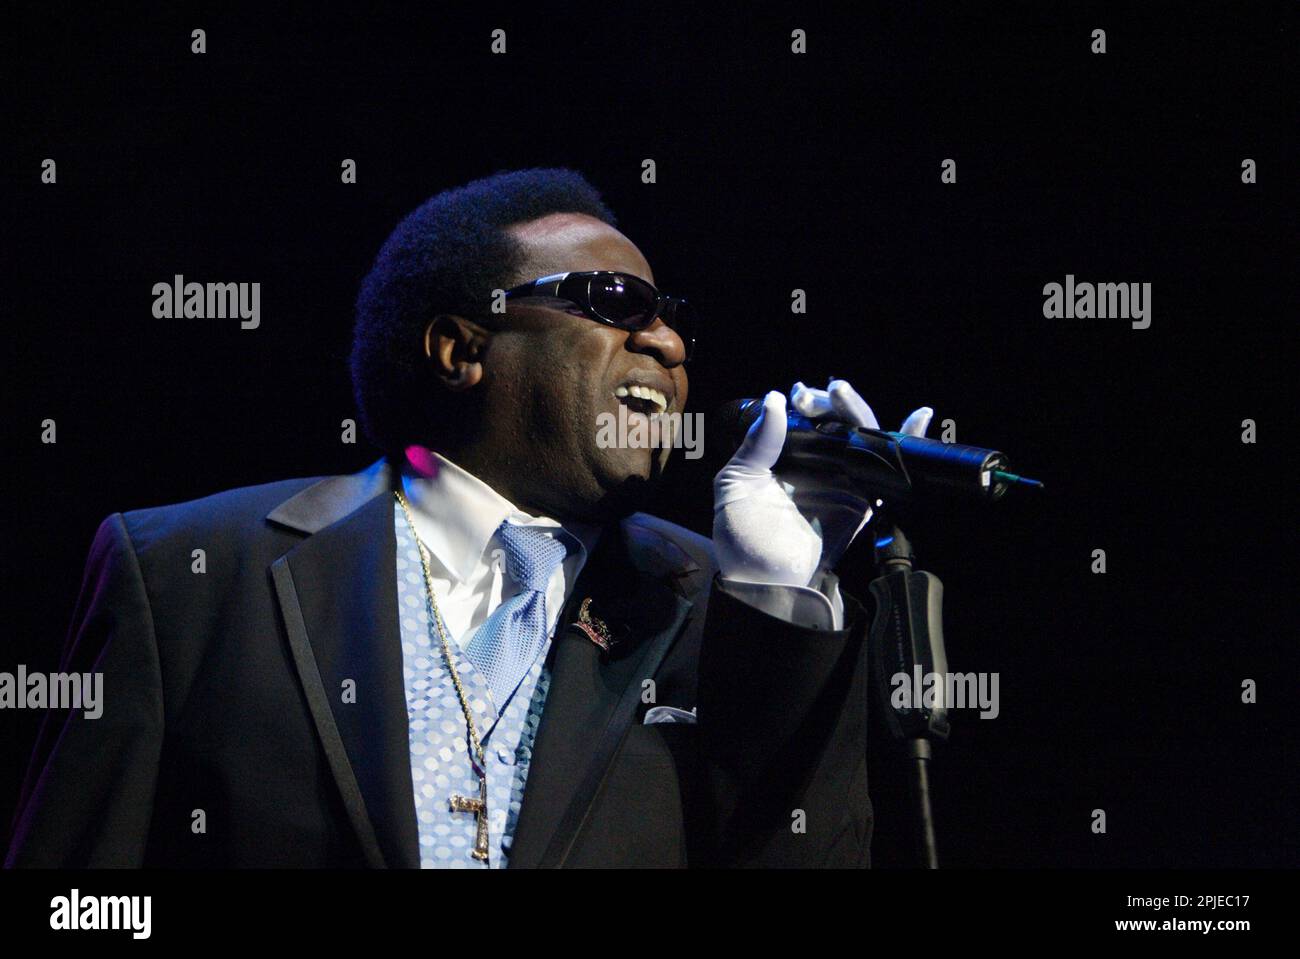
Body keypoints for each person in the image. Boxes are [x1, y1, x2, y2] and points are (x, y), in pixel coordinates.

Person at [5, 168, 931, 868]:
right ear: (460, 348)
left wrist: (785, 595)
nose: (670, 342)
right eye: (616, 303)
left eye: (673, 318)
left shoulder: (713, 611)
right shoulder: (189, 573)